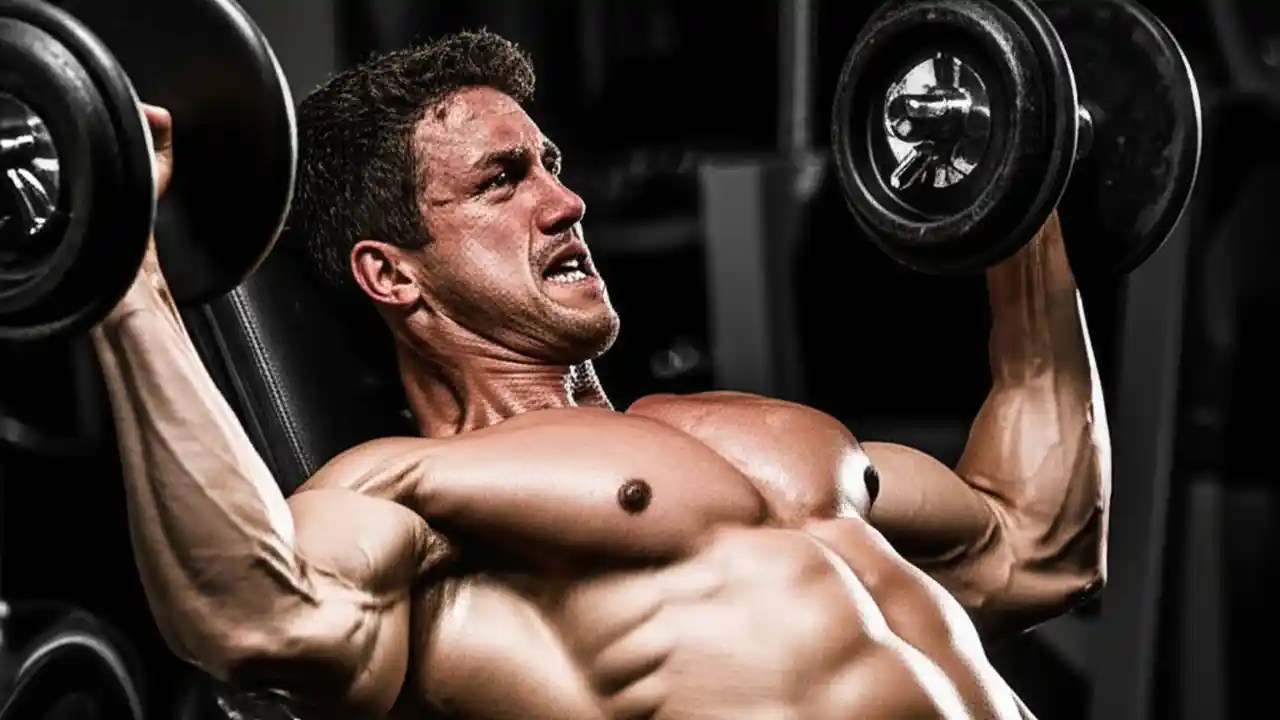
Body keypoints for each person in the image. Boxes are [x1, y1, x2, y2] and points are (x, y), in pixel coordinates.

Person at [89, 30, 1109, 720]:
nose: (565, 201)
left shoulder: (750, 428)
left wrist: (1021, 198)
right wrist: (126, 268)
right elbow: (261, 616)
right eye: (502, 181)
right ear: (389, 273)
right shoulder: (412, 488)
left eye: (551, 164)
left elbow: (1035, 548)